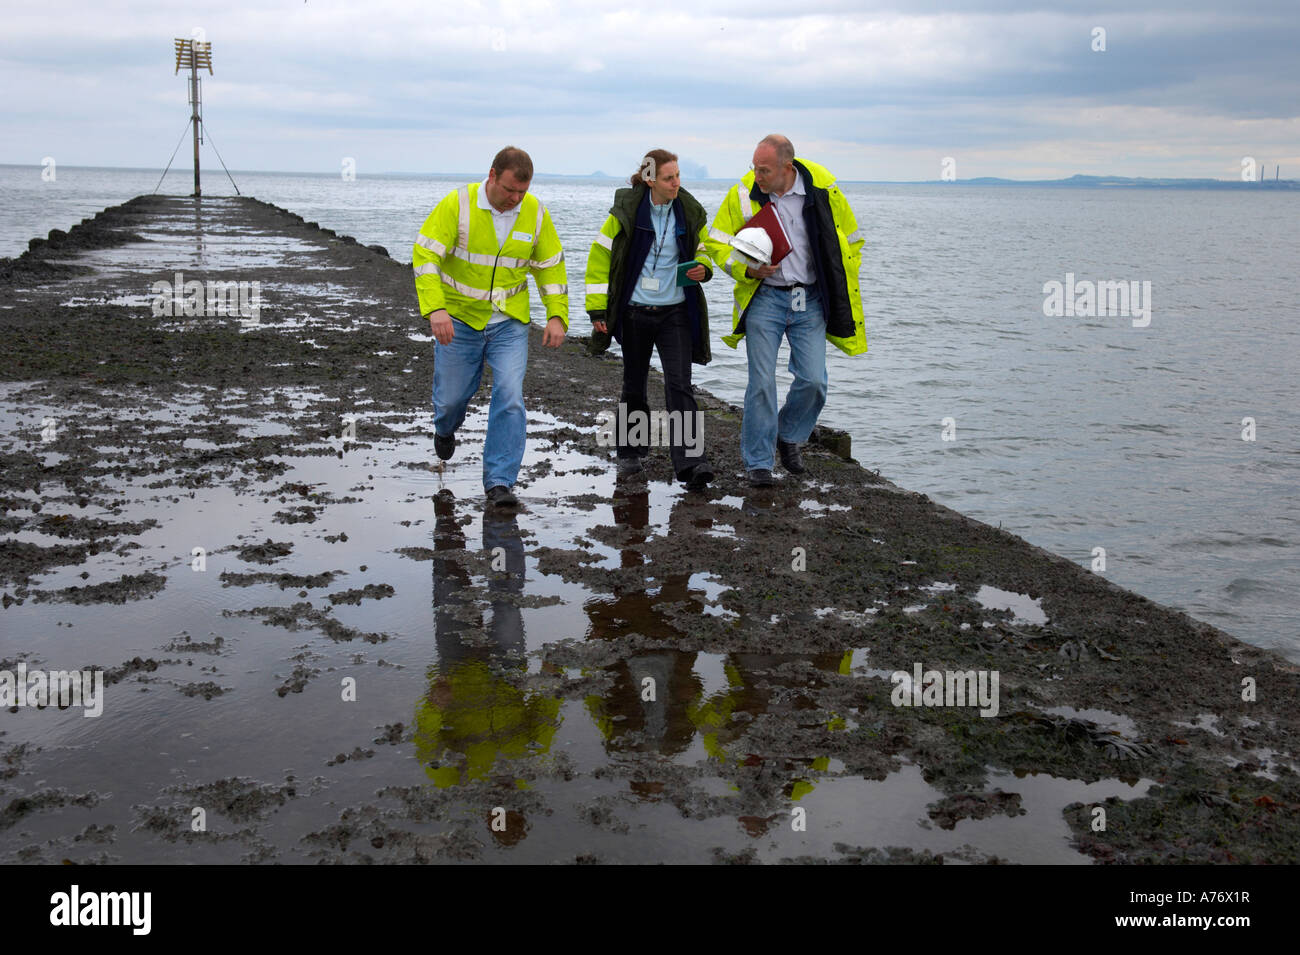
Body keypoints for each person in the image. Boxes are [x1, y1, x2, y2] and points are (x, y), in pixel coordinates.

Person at [411, 146, 568, 507]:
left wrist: (557, 314)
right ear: (493, 175)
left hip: (509, 322)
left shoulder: (535, 212)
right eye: (510, 190)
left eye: (522, 193)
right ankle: (444, 428)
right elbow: (425, 255)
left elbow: (550, 267)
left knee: (510, 394)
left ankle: (499, 483)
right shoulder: (458, 204)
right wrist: (435, 309)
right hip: (460, 319)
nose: (515, 199)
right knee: (451, 399)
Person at [705, 134, 866, 487]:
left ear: (786, 168)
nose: (756, 176)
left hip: (809, 300)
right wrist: (747, 269)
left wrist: (839, 278)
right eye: (754, 168)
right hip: (765, 298)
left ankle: (789, 434)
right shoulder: (742, 194)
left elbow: (851, 239)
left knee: (814, 381)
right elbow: (715, 243)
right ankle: (759, 463)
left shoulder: (824, 188)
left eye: (764, 170)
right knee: (761, 383)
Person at [585, 149, 715, 490]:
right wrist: (598, 311)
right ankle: (629, 451)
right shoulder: (626, 212)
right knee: (634, 383)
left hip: (675, 312)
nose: (676, 183)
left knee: (680, 385)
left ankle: (691, 464)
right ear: (650, 180)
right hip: (634, 312)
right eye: (669, 178)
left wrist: (704, 268)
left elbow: (704, 248)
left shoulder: (688, 210)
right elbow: (599, 259)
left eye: (678, 176)